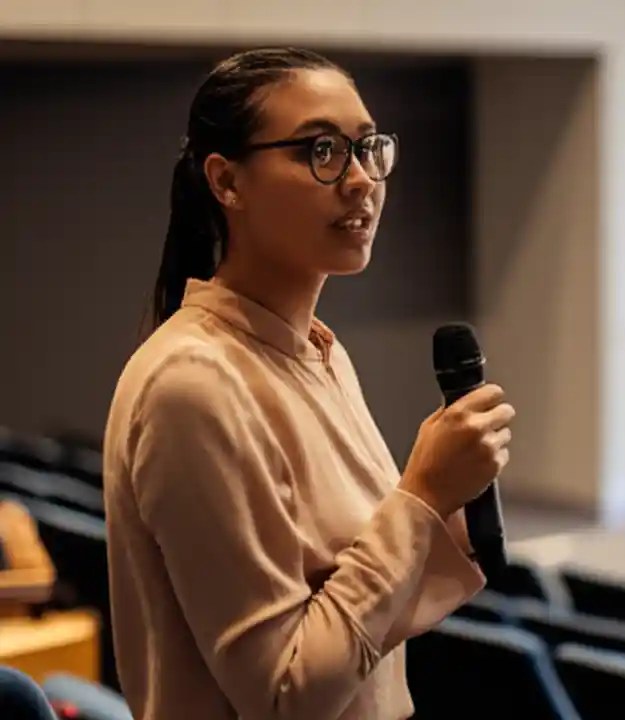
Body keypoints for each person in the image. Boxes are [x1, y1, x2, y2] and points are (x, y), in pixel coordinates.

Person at [102, 48, 514, 720]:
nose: (359, 180)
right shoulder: (192, 385)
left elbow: (354, 591)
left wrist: (447, 511)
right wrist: (420, 497)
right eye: (320, 150)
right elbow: (283, 696)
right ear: (226, 181)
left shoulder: (319, 352)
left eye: (367, 148)